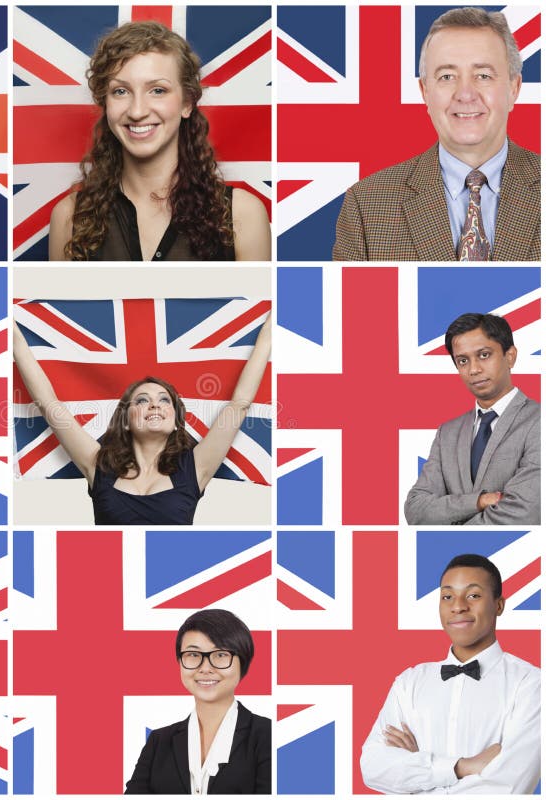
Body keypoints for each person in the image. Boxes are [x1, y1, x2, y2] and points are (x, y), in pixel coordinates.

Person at [13, 315, 270, 524]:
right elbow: (49, 404)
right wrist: (14, 337)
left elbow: (240, 404)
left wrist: (268, 336)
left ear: (176, 421)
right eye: (142, 400)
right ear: (125, 420)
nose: (155, 404)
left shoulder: (196, 468)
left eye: (165, 400)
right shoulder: (98, 466)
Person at [48, 21, 270, 261]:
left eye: (158, 90)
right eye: (120, 91)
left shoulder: (242, 216)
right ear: (105, 103)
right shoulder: (69, 218)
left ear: (187, 103)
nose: (137, 111)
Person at [333, 7, 539, 261]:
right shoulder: (367, 206)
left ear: (513, 88)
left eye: (483, 75)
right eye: (447, 76)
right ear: (425, 92)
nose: (465, 94)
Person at [361, 554, 540, 794]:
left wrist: (417, 772)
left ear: (499, 605)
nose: (458, 606)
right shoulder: (409, 682)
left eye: (473, 595)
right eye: (447, 597)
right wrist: (461, 767)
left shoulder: (532, 684)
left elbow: (508, 787)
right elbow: (373, 768)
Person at [404, 312, 539, 525]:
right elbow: (415, 510)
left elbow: (525, 511)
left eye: (484, 355)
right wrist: (478, 501)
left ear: (510, 356)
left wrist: (454, 525)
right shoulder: (447, 433)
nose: (473, 369)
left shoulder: (539, 422)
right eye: (463, 360)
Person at [125, 609, 270, 794]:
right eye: (193, 655)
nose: (205, 668)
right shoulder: (159, 741)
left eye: (220, 654)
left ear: (242, 661)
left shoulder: (269, 736)